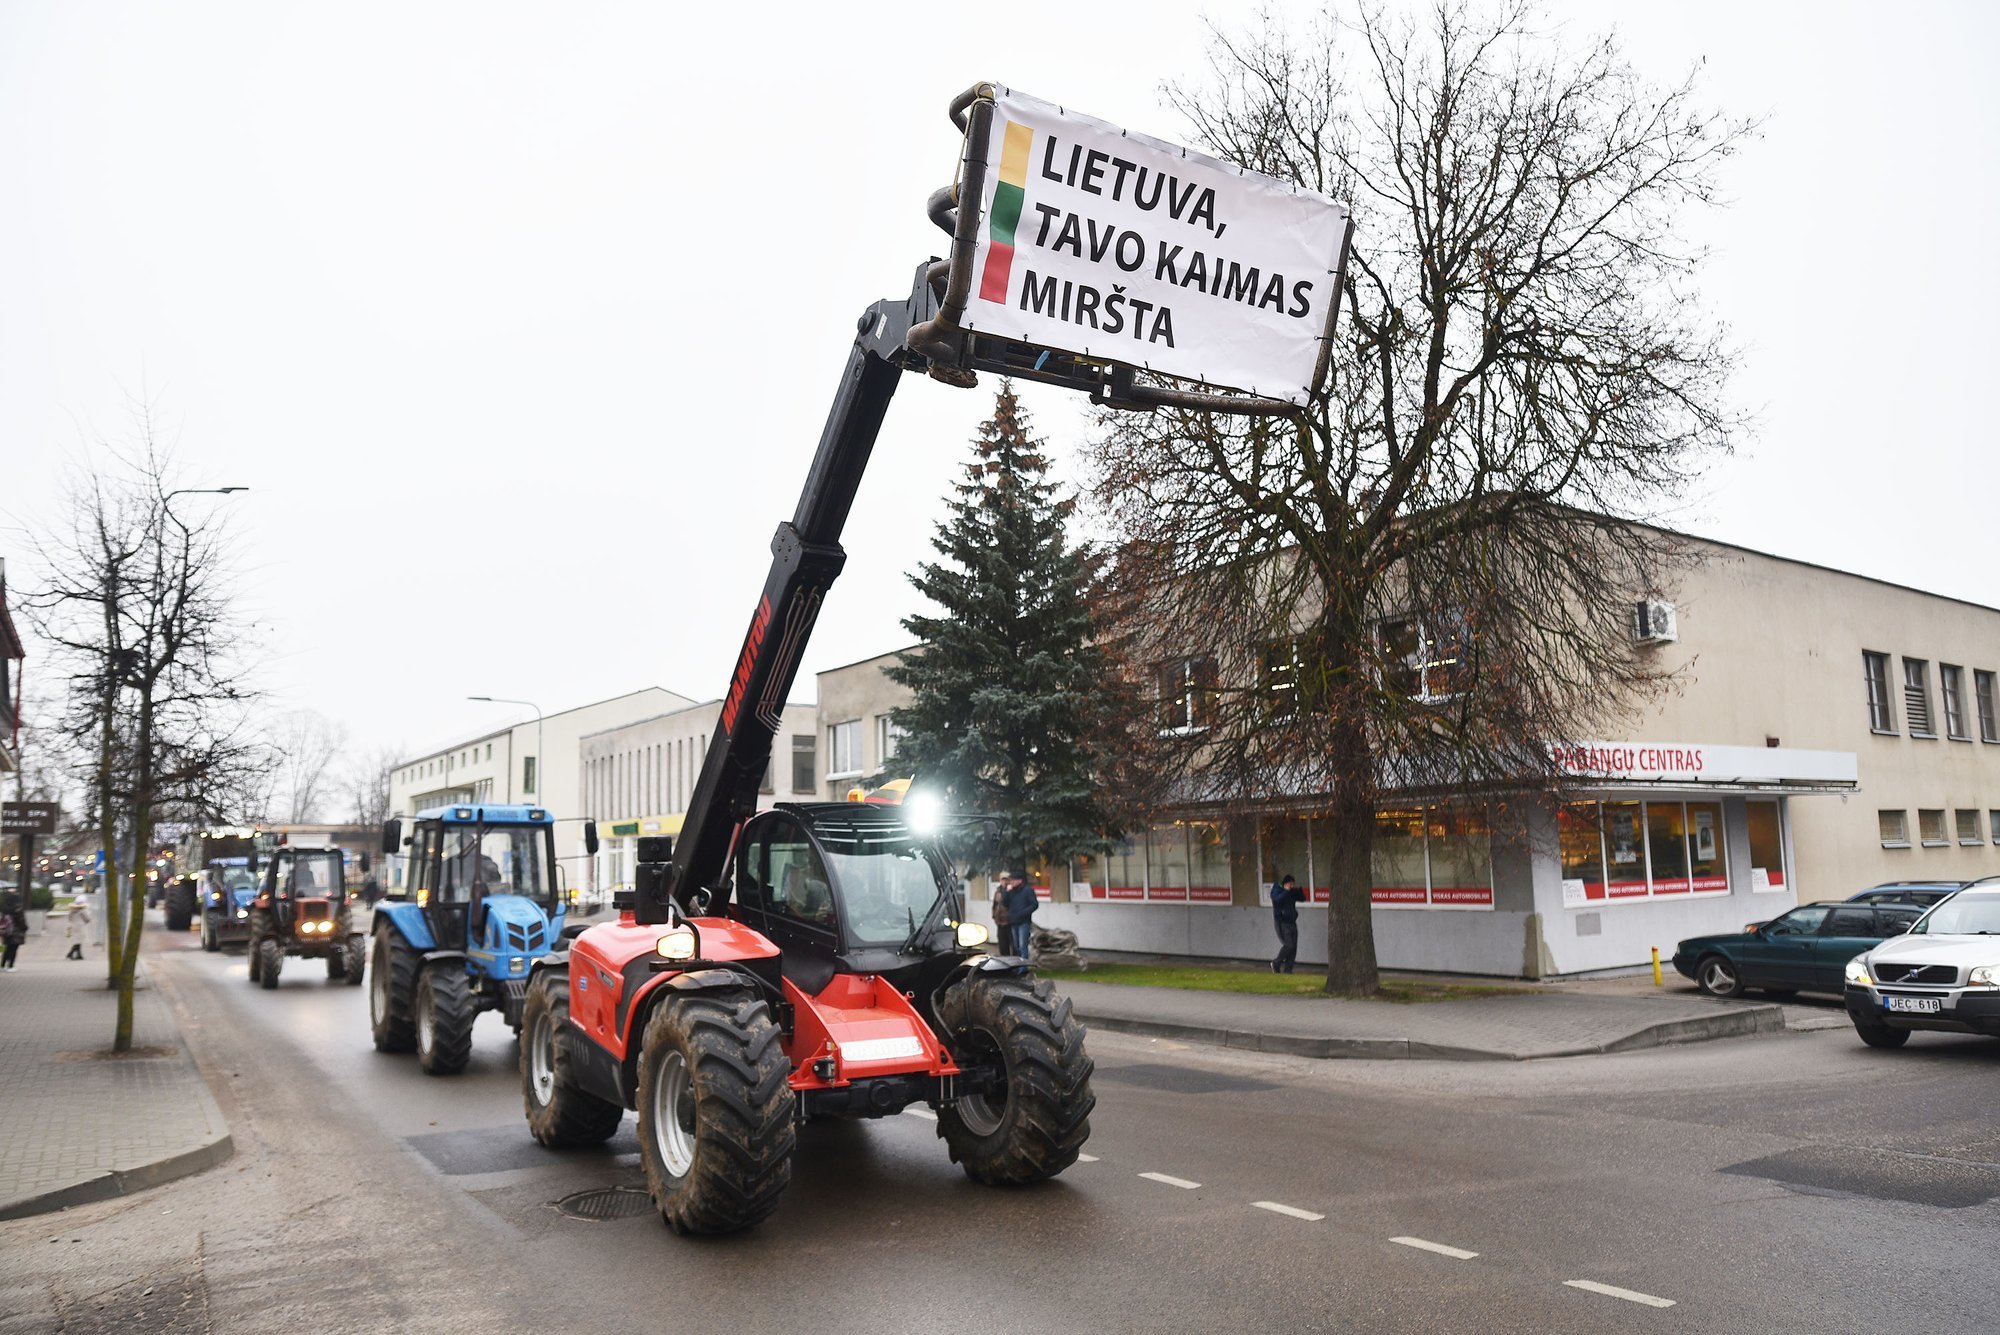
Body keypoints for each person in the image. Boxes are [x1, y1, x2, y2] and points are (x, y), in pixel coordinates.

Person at [998, 868, 1038, 959]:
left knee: (1022, 945)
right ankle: (1019, 965)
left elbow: (1034, 904)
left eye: (1013, 880)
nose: (1011, 882)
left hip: (1024, 922)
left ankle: (1024, 967)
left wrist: (1023, 913)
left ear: (1019, 880)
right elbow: (1005, 903)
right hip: (1013, 921)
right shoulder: (1011, 891)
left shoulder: (1027, 890)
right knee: (1016, 946)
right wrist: (1007, 892)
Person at [1269, 873, 1303, 974]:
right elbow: (1277, 900)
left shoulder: (1291, 892)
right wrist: (1286, 891)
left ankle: (1288, 971)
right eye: (1290, 884)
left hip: (1292, 921)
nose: (1291, 886)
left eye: (1293, 884)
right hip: (1282, 922)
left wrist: (1298, 890)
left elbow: (1302, 898)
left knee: (1293, 948)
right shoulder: (1277, 891)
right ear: (1285, 884)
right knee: (1289, 945)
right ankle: (1276, 962)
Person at [0, 893, 23, 971]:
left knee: (7, 948)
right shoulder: (17, 909)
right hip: (16, 932)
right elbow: (21, 921)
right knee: (13, 949)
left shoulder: (5, 909)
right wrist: (25, 928)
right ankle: (10, 966)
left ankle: (2, 965)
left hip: (6, 931)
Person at [65, 895, 91, 961]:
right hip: (80, 927)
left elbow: (69, 918)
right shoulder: (82, 910)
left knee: (77, 941)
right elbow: (87, 919)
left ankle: (79, 955)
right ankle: (70, 953)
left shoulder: (72, 910)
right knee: (78, 941)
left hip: (73, 926)